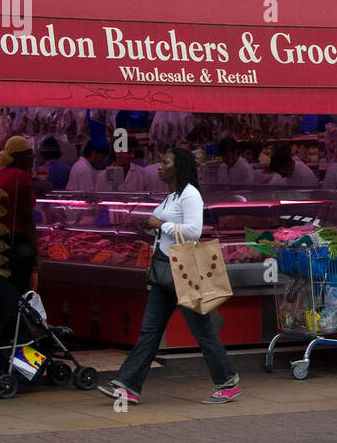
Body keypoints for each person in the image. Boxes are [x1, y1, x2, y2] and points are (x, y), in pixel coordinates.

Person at [97, 147, 240, 406]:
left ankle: (227, 382)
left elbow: (195, 232)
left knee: (203, 331)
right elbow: (170, 231)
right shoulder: (171, 196)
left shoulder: (190, 195)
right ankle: (128, 385)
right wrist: (153, 229)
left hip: (183, 270)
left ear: (179, 167)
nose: (159, 166)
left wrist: (160, 225)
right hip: (164, 270)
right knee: (149, 331)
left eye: (165, 162)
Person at [0, 135, 41, 295]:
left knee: (5, 286)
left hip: (0, 240)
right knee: (21, 289)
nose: (32, 159)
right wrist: (36, 249)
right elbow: (26, 216)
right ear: (18, 157)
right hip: (18, 241)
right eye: (29, 155)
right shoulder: (22, 176)